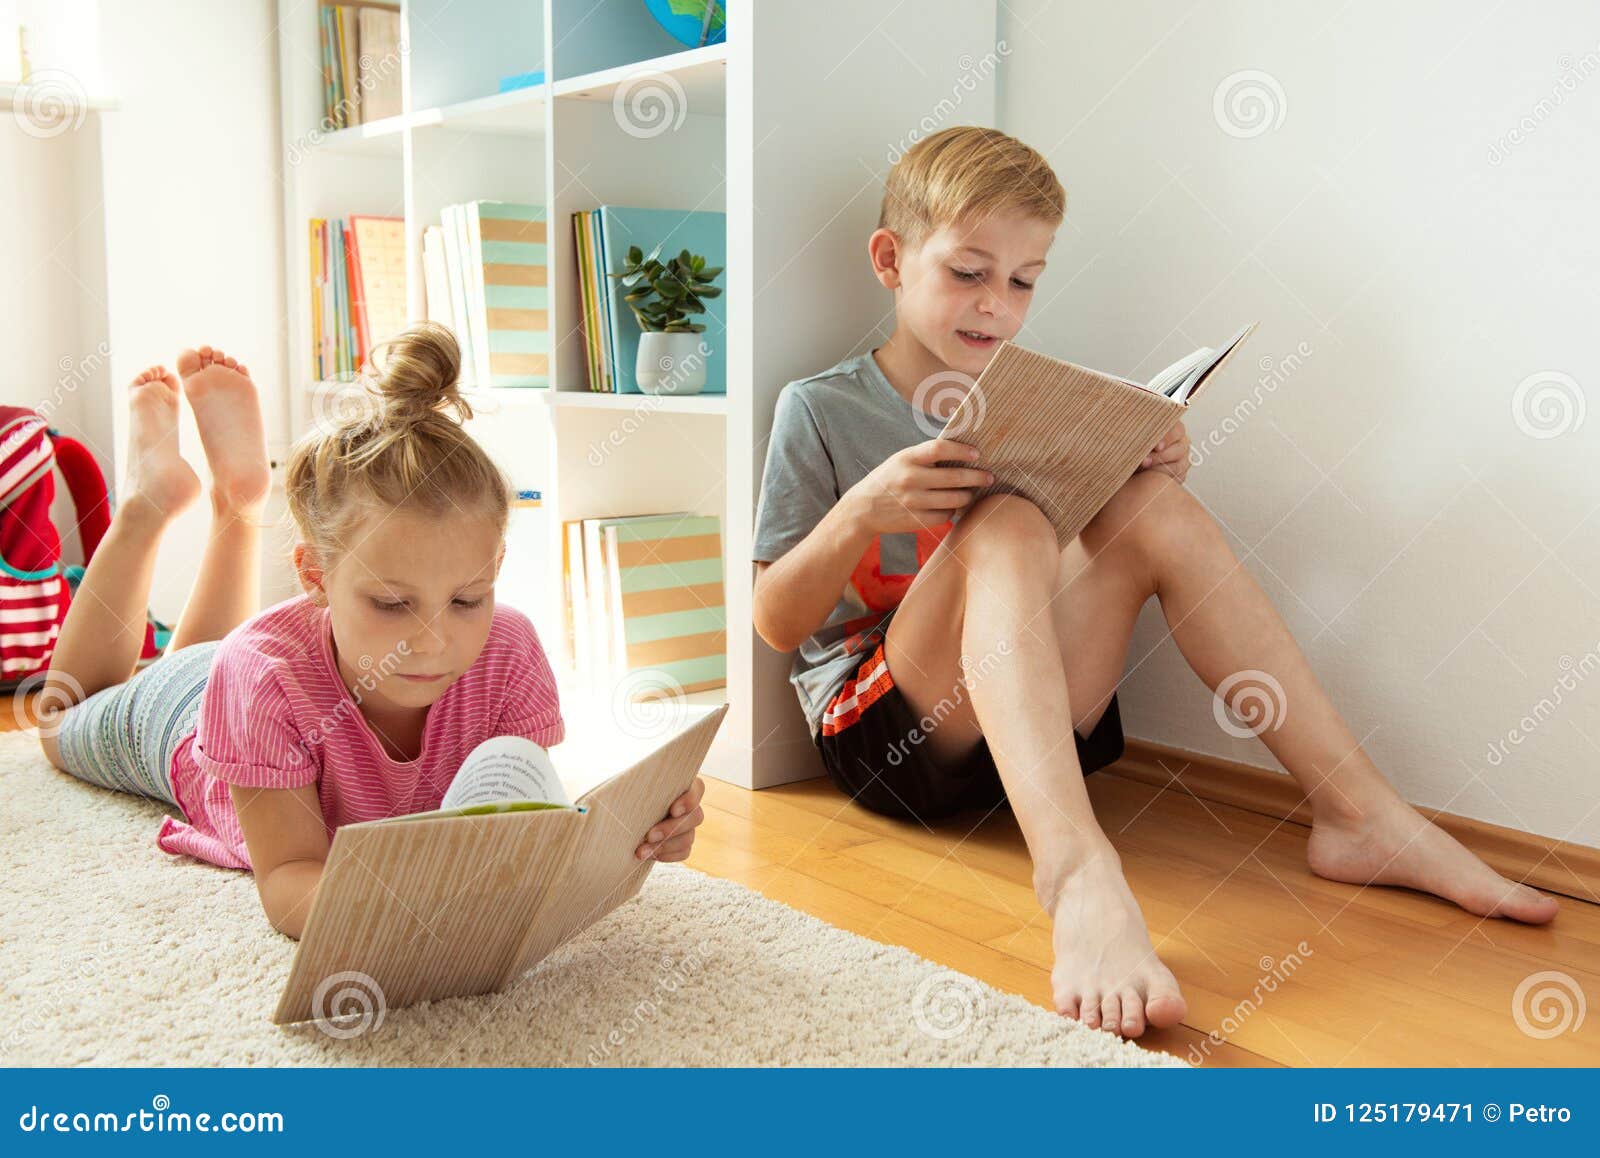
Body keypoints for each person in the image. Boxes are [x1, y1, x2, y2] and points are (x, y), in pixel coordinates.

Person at [751, 125, 1558, 1040]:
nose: (997, 305)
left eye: (1024, 280)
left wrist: (1140, 463)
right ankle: (1077, 878)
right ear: (891, 260)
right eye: (969, 272)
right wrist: (861, 508)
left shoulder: (1023, 391)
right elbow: (777, 623)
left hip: (1031, 729)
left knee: (1152, 508)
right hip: (888, 741)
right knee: (1007, 520)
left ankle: (1362, 815)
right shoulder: (821, 405)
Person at [36, 324, 705, 939]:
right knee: (60, 716)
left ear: (496, 568)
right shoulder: (259, 675)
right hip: (185, 717)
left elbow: (523, 824)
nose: (435, 641)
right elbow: (290, 881)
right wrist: (421, 915)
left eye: (468, 599)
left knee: (206, 656)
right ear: (314, 575)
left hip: (239, 679)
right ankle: (150, 502)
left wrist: (636, 831)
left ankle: (239, 498)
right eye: (392, 604)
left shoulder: (508, 649)